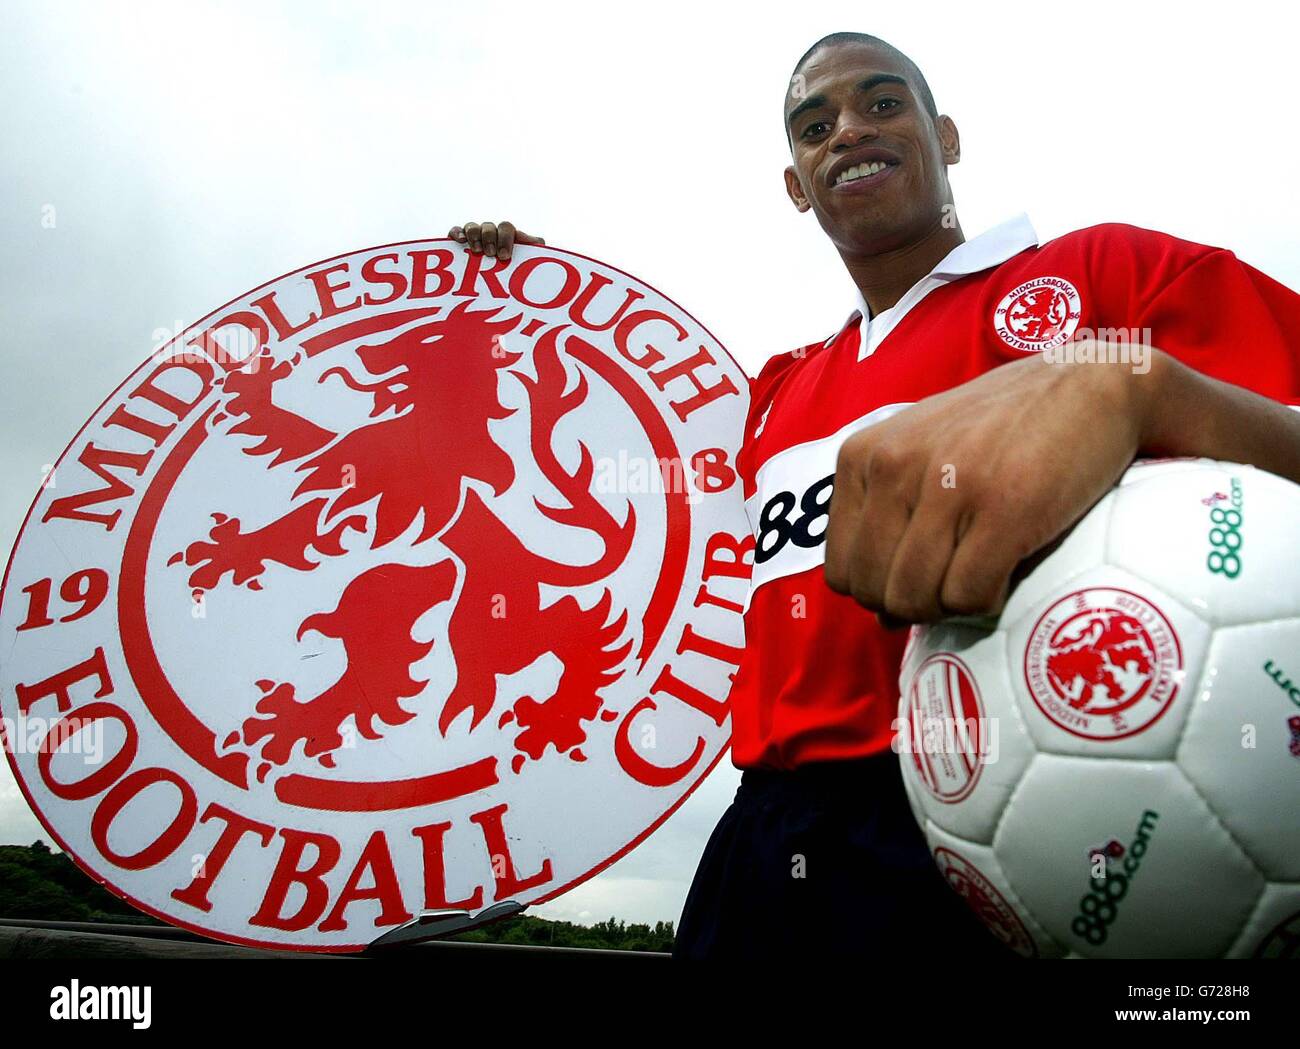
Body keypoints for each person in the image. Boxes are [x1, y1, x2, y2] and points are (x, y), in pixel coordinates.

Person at [451, 31, 1300, 961]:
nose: (849, 130)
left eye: (882, 104)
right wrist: (517, 310)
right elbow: (578, 479)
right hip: (762, 833)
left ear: (947, 134)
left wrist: (1142, 387)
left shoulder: (1113, 275)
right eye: (815, 126)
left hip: (979, 818)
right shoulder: (776, 391)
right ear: (795, 183)